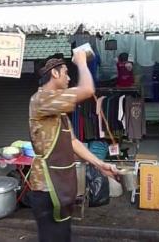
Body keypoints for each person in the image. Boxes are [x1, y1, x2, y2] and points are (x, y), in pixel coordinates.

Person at [28, 51, 119, 242]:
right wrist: (82, 62)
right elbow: (87, 89)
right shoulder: (42, 99)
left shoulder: (57, 109)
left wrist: (99, 164)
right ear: (54, 73)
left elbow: (73, 141)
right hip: (46, 188)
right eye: (66, 73)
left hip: (60, 186)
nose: (69, 78)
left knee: (63, 236)